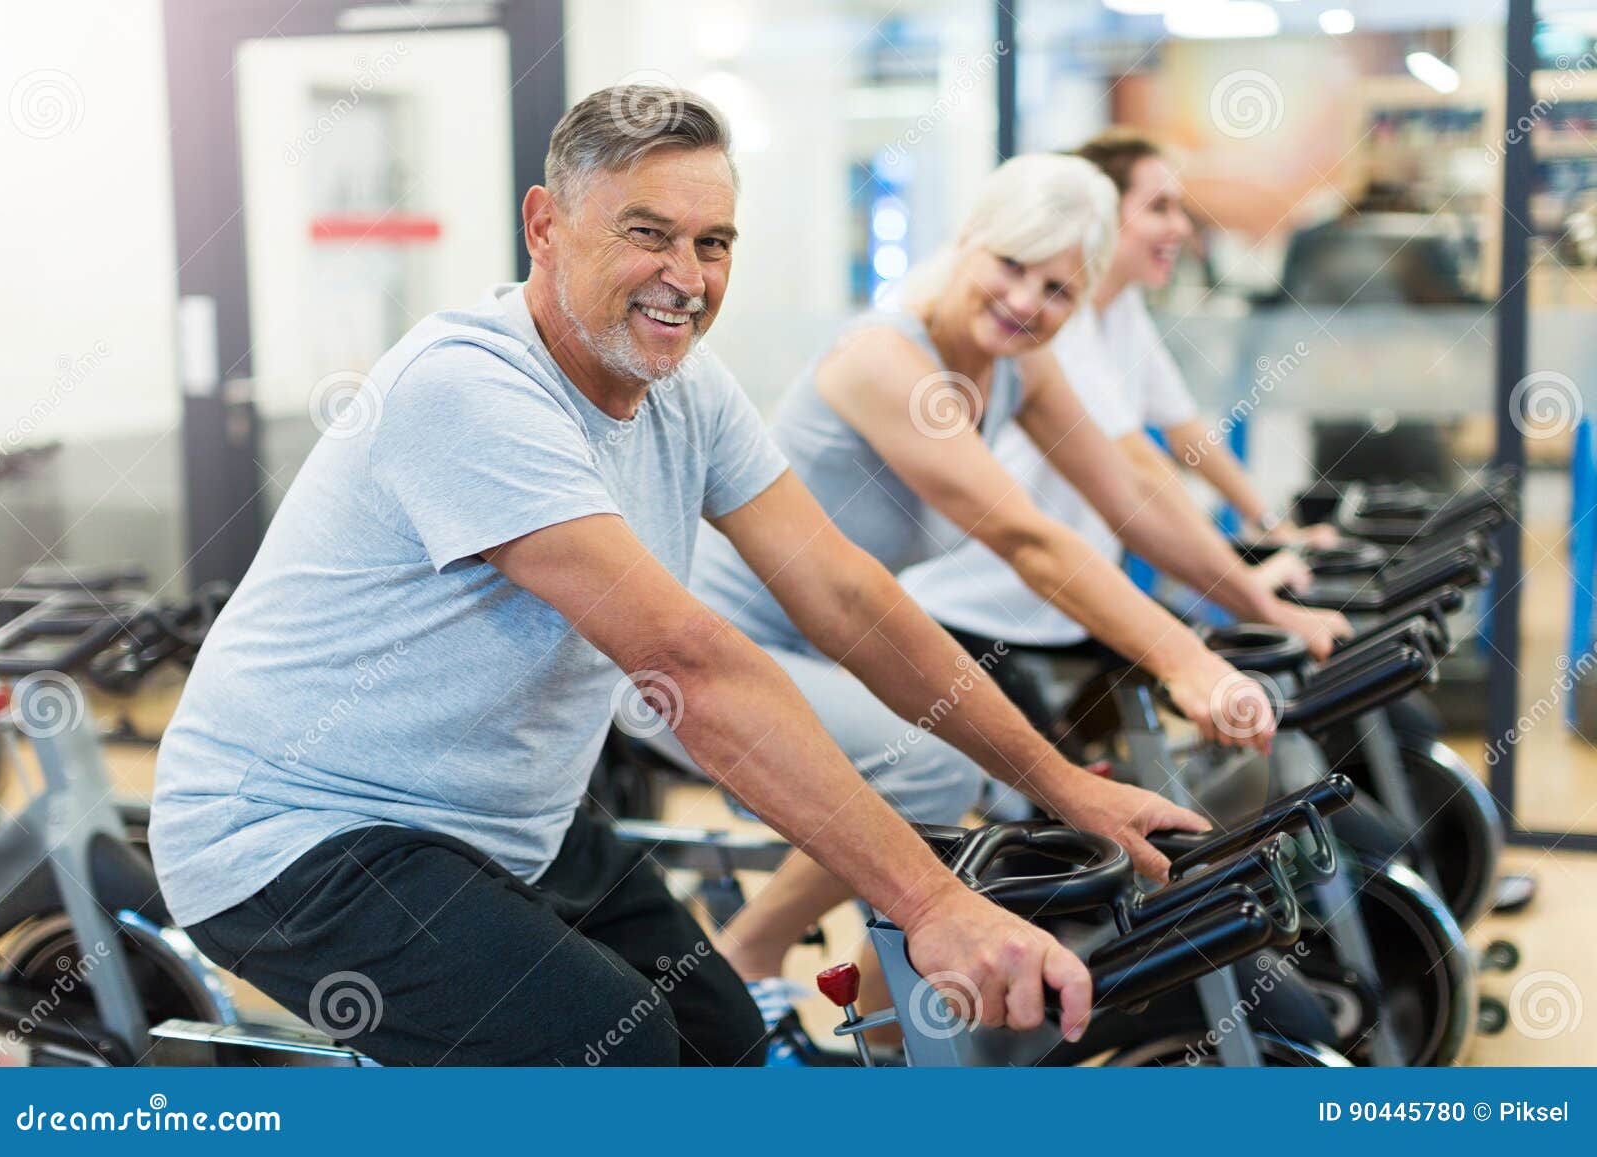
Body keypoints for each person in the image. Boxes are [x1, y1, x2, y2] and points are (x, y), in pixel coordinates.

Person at [148, 85, 1206, 1067]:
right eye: (646, 233)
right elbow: (691, 668)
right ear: (546, 226)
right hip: (296, 834)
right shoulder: (468, 389)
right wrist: (935, 903)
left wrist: (1067, 786)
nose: (688, 278)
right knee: (630, 1065)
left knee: (730, 1054)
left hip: (507, 819)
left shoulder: (685, 389)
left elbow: (844, 592)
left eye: (713, 244)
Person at [648, 151, 1347, 1049]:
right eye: (1012, 266)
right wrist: (1184, 658)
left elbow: (1126, 498)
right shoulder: (884, 361)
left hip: (836, 642)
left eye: (1059, 289)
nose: (1028, 301)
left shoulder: (1016, 364)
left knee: (957, 777)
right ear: (968, 242)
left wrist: (1263, 605)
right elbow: (1031, 541)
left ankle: (887, 1031)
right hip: (722, 645)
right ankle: (748, 954)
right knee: (933, 766)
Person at [900, 129, 1339, 677]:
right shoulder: (1051, 330)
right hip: (983, 606)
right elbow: (1136, 478)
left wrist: (1271, 528)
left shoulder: (1114, 310)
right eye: (1159, 208)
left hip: (1067, 596)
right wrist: (1246, 586)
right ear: (1104, 215)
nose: (1181, 226)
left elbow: (1185, 435)